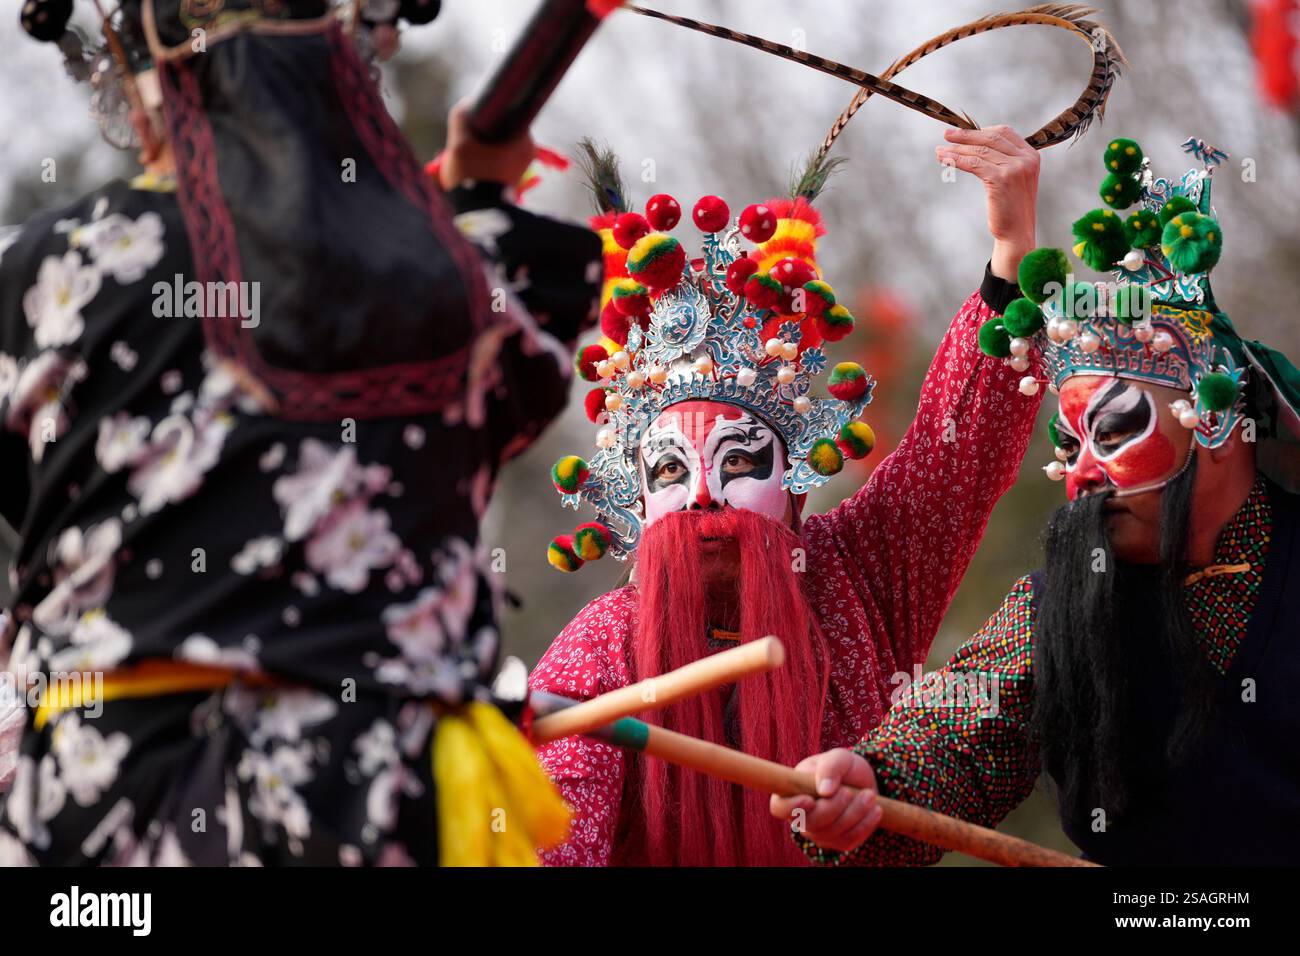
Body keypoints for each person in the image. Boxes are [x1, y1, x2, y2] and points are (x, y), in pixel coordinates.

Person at [0, 0, 600, 866]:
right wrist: (476, 200)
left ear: (151, 85)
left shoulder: (52, 270)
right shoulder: (452, 283)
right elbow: (521, 382)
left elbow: (39, 504)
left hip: (112, 810)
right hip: (368, 806)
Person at [528, 125, 1051, 866]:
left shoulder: (861, 573)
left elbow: (957, 448)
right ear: (633, 500)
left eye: (738, 460)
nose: (703, 496)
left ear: (797, 481)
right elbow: (550, 831)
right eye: (671, 474)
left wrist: (1013, 251)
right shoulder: (600, 648)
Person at [774, 135, 1300, 866]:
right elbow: (962, 721)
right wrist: (871, 783)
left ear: (1212, 426)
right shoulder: (1068, 599)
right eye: (1069, 443)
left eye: (1115, 430)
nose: (1082, 474)